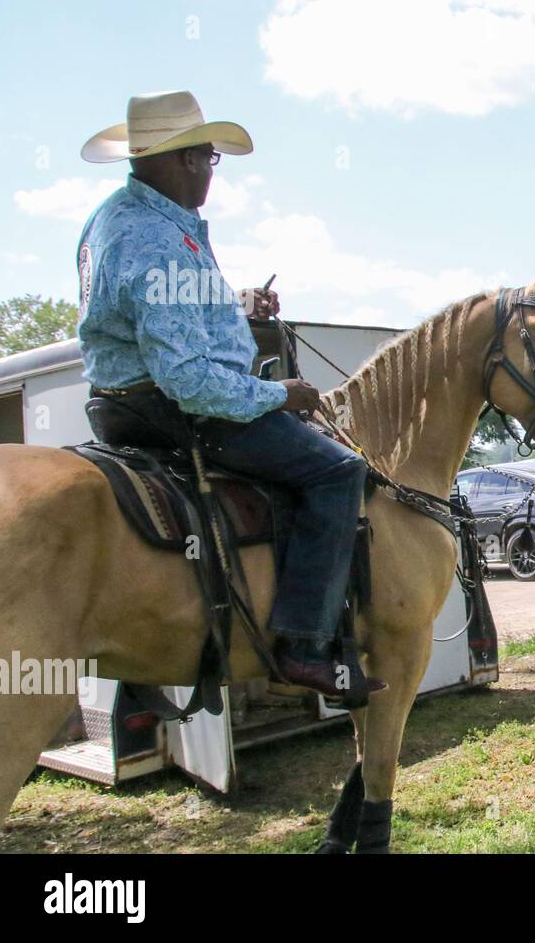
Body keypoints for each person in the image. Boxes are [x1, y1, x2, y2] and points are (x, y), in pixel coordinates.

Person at [76, 90, 380, 700]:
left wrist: (237, 305)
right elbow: (188, 379)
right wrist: (278, 394)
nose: (212, 173)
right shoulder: (157, 242)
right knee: (338, 472)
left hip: (124, 403)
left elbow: (164, 319)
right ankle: (302, 643)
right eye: (210, 159)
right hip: (180, 412)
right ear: (186, 158)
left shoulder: (123, 219)